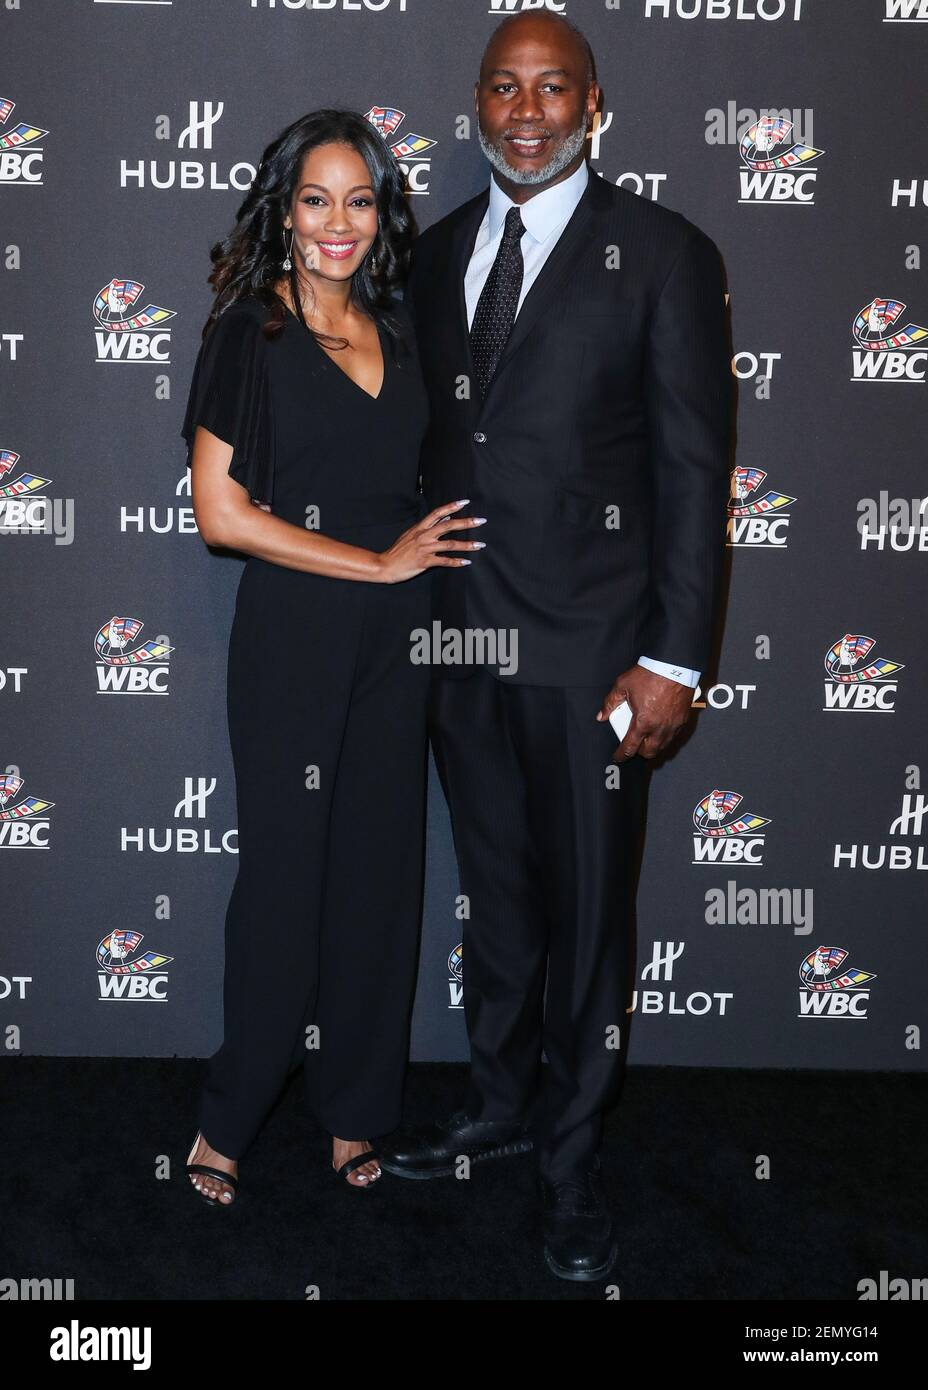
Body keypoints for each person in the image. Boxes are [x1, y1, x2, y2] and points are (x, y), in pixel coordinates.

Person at [380, 13, 734, 1281]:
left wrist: (675, 659)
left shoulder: (665, 255)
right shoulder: (434, 255)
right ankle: (495, 1109)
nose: (522, 111)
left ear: (593, 104)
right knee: (502, 904)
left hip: (595, 658)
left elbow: (696, 474)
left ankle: (573, 1169)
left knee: (587, 922)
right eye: (501, 87)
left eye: (551, 88)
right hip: (458, 650)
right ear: (474, 102)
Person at [180, 108, 485, 1203]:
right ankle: (228, 1119)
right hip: (296, 638)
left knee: (377, 880)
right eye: (317, 200)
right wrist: (377, 566)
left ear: (379, 212)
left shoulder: (402, 333)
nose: (339, 222)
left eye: (359, 199)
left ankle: (357, 1111)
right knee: (282, 884)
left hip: (396, 646)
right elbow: (221, 513)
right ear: (285, 211)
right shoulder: (247, 333)